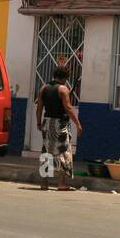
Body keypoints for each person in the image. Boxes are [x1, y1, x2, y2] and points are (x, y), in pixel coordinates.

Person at [36, 64, 81, 192]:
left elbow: (39, 108)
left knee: (46, 152)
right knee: (63, 151)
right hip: (60, 124)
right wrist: (77, 123)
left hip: (47, 122)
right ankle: (62, 183)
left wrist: (38, 123)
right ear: (66, 77)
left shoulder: (43, 88)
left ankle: (44, 183)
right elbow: (68, 108)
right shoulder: (63, 90)